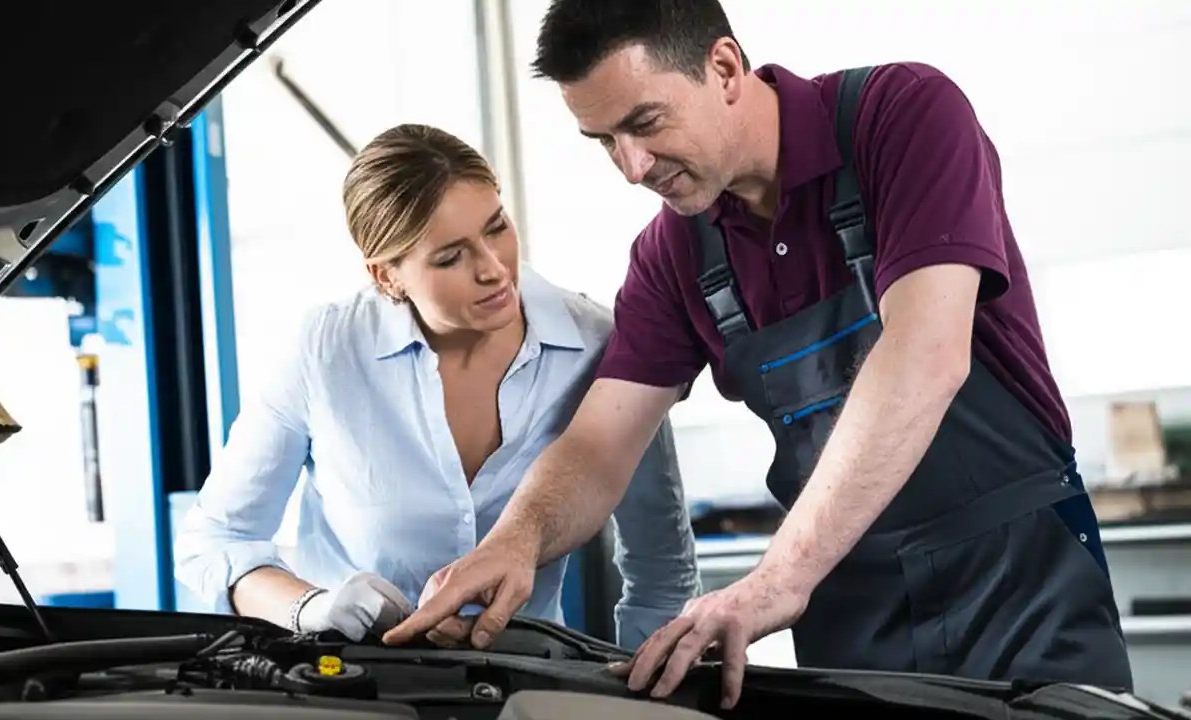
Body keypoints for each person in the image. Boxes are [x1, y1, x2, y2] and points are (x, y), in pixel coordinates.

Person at [383, 0, 1134, 709]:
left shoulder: (902, 117)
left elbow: (924, 355)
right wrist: (516, 540)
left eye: (644, 123)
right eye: (605, 141)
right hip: (853, 614)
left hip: (1022, 585)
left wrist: (777, 578)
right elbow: (597, 447)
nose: (633, 166)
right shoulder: (670, 258)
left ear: (724, 67)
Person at [173, 122, 700, 650]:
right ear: (387, 276)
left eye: (496, 227)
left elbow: (661, 571)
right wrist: (312, 608)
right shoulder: (325, 352)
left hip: (530, 679)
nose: (493, 269)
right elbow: (216, 541)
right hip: (350, 677)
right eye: (451, 257)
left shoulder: (601, 347)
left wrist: (641, 684)